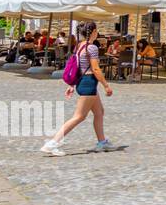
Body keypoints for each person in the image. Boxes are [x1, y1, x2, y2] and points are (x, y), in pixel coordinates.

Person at [41, 21, 117, 156]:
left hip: (83, 82)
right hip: (88, 83)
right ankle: (52, 143)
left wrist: (72, 85)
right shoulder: (92, 48)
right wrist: (106, 85)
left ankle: (102, 142)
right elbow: (95, 68)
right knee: (79, 116)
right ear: (93, 32)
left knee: (99, 112)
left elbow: (78, 67)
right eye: (96, 30)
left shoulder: (79, 46)